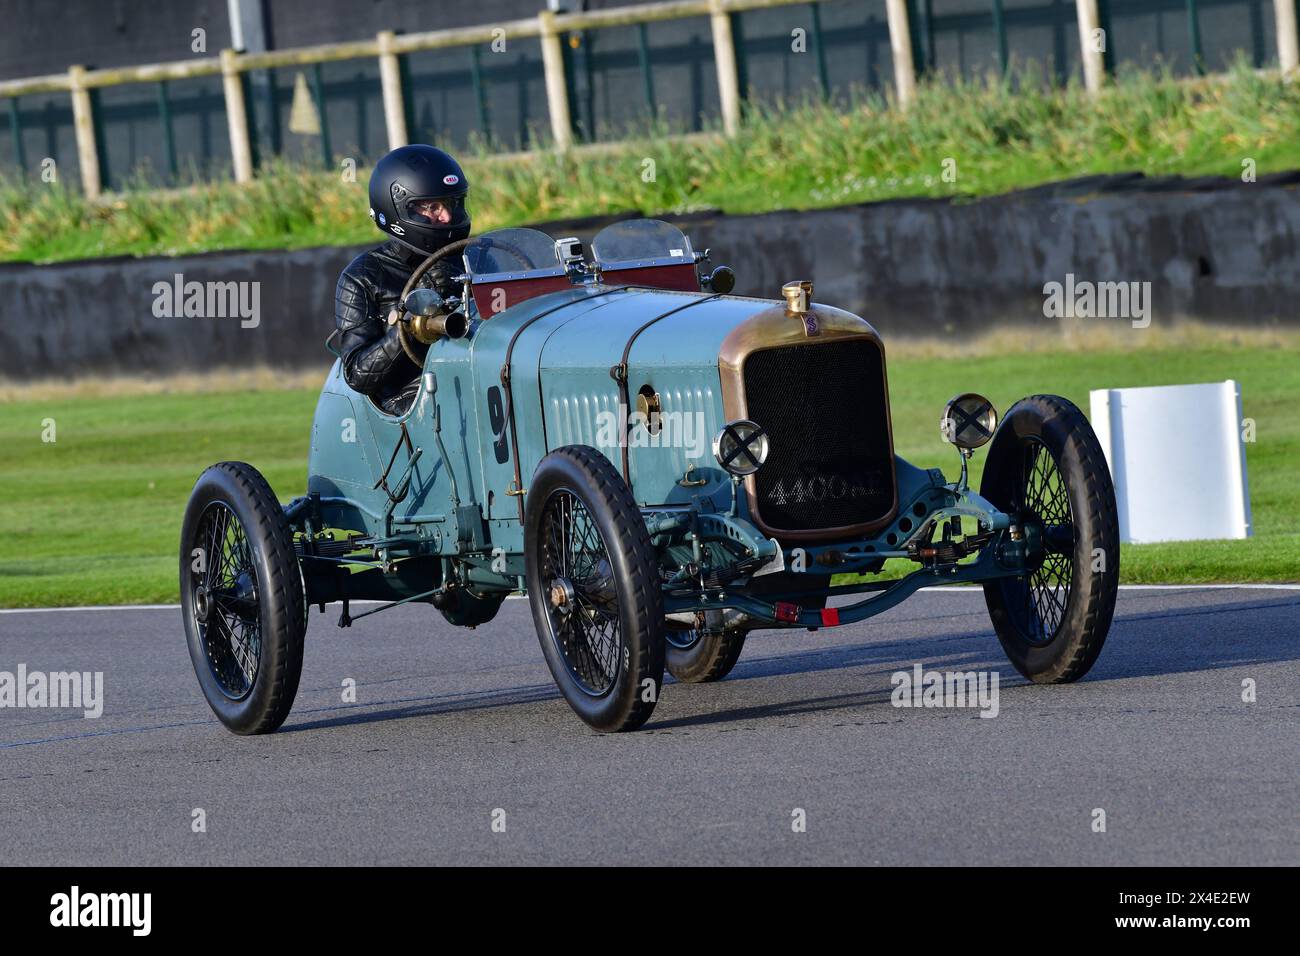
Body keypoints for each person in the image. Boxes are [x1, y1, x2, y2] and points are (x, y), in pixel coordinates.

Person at [334, 145, 472, 415]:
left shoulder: (479, 257)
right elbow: (356, 374)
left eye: (452, 203)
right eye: (432, 207)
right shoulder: (364, 276)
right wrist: (412, 325)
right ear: (395, 208)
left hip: (481, 379)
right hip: (413, 401)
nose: (446, 216)